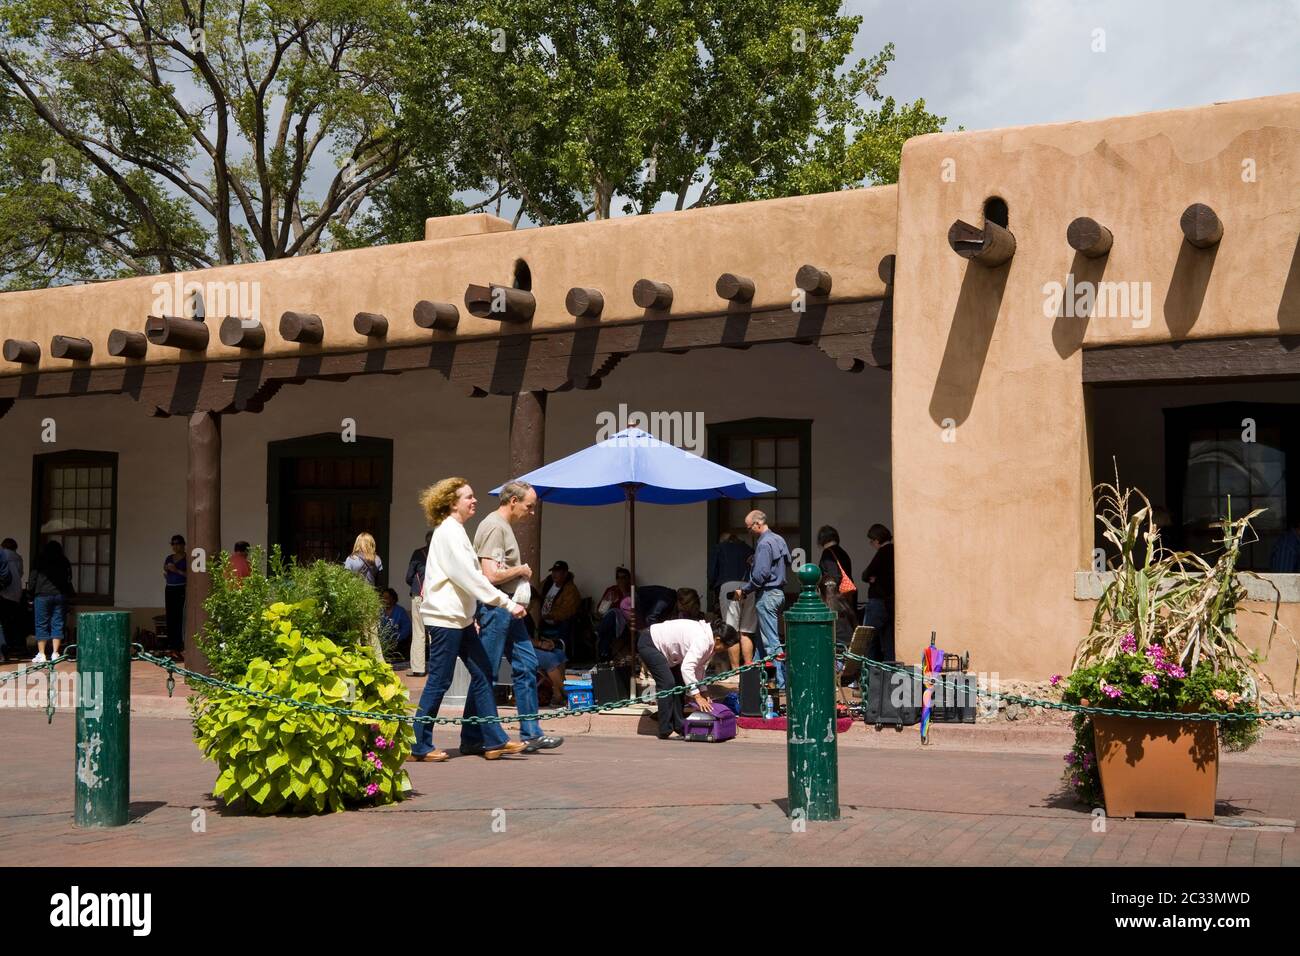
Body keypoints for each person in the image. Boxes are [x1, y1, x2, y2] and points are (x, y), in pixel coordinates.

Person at [412, 477, 529, 762]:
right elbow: (470, 578)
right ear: (453, 503)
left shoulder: (457, 530)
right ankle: (419, 745)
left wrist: (472, 614)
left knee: (481, 674)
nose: (474, 501)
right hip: (445, 620)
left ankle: (493, 741)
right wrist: (506, 603)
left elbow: (467, 579)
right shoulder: (449, 532)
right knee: (440, 680)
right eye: (469, 497)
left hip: (459, 619)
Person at [473, 480, 563, 753]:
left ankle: (531, 732)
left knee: (526, 664)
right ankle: (475, 734)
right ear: (513, 501)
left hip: (510, 611)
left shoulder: (503, 528)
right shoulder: (494, 527)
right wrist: (521, 570)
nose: (531, 512)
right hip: (496, 608)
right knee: (486, 672)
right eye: (529, 506)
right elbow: (489, 575)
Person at [637, 612, 725, 739]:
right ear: (718, 640)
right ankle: (664, 729)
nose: (725, 650)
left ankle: (679, 725)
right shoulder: (703, 640)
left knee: (679, 683)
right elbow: (687, 668)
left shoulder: (710, 642)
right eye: (725, 646)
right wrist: (697, 696)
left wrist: (704, 691)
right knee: (667, 683)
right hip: (650, 643)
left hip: (667, 650)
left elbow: (698, 667)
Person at [732, 510, 791, 688]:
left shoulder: (764, 543)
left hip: (767, 594)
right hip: (779, 593)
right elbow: (786, 561)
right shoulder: (779, 539)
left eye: (749, 528)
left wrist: (745, 590)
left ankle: (782, 684)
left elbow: (761, 574)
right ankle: (756, 680)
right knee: (761, 639)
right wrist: (757, 560)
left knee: (770, 641)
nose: (748, 531)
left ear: (758, 524)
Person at [29, 540, 74, 663]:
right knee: (58, 623)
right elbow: (69, 578)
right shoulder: (64, 560)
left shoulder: (39, 559)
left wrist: (30, 593)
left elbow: (33, 577)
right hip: (60, 595)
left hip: (42, 595)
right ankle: (55, 653)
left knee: (41, 623)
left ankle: (42, 654)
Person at [817, 525, 859, 646]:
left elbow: (834, 577)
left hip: (836, 600)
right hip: (847, 597)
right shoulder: (843, 552)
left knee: (837, 634)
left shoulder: (828, 553)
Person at [861, 523, 895, 662]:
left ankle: (869, 673)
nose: (872, 544)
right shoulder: (894, 551)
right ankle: (889, 673)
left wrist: (874, 579)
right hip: (890, 601)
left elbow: (865, 574)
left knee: (868, 639)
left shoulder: (882, 552)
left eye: (872, 540)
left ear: (877, 539)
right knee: (888, 642)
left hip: (878, 602)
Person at [405, 530, 433, 676]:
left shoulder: (418, 553)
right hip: (437, 597)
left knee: (419, 632)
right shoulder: (442, 555)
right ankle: (437, 667)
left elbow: (408, 577)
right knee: (435, 633)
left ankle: (418, 669)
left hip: (419, 596)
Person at [536, 560, 581, 644]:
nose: (554, 574)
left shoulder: (571, 590)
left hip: (557, 622)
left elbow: (567, 611)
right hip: (542, 620)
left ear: (565, 574)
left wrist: (550, 616)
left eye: (557, 572)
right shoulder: (547, 583)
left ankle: (561, 650)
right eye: (553, 571)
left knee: (566, 623)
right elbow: (536, 594)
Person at [709, 532, 753, 609]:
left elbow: (712, 573)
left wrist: (712, 586)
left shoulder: (719, 548)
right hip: (748, 588)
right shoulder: (749, 549)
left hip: (729, 587)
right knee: (748, 620)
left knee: (731, 619)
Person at [0, 538, 25, 662]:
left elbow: (4, 576)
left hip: (4, 593)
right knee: (12, 622)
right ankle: (12, 647)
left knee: (3, 624)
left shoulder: (2, 554)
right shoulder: (18, 557)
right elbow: (20, 574)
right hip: (16, 593)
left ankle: (4, 650)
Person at [163, 534, 187, 656]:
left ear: (183, 544)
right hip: (170, 588)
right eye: (173, 544)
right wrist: (167, 572)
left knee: (179, 617)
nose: (175, 546)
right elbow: (165, 571)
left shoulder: (187, 558)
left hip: (181, 588)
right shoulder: (169, 558)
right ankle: (171, 645)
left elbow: (190, 576)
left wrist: (176, 570)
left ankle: (179, 645)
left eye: (178, 543)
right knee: (170, 616)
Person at [379, 587, 413, 661]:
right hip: (383, 643)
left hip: (398, 643)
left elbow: (406, 628)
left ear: (393, 599)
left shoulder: (400, 611)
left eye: (387, 598)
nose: (384, 600)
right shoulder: (380, 611)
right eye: (383, 598)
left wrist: (395, 639)